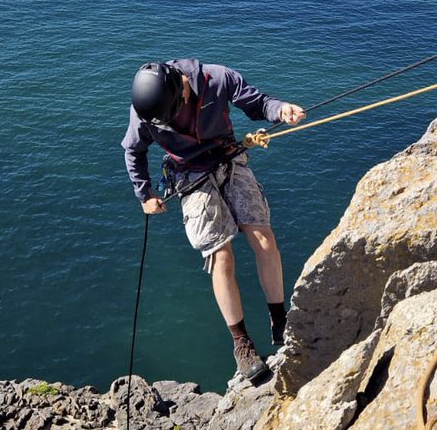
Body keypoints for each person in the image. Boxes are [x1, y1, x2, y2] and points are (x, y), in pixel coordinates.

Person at [122, 59, 305, 382]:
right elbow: (133, 150)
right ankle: (241, 343)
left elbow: (258, 103)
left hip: (228, 157)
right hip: (189, 173)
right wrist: (144, 194)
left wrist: (281, 110)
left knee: (263, 238)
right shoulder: (147, 110)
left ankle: (280, 319)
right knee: (221, 256)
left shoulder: (216, 78)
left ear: (180, 86)